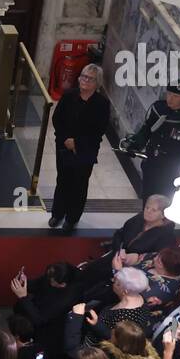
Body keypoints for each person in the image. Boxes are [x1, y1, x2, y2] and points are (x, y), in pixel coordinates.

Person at [49, 63, 111, 232]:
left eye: (89, 78)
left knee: (79, 183)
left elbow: (99, 130)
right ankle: (57, 213)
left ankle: (72, 218)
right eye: (83, 76)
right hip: (63, 145)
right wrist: (66, 139)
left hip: (86, 149)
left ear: (97, 83)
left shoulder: (102, 103)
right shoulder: (69, 96)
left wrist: (77, 142)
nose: (84, 80)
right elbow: (57, 120)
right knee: (62, 180)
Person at [121, 82, 180, 199]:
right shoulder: (158, 108)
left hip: (172, 170)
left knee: (165, 200)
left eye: (175, 96)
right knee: (147, 198)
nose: (170, 99)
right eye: (169, 94)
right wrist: (135, 145)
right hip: (152, 163)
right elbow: (146, 130)